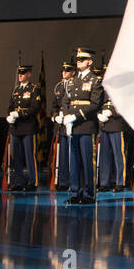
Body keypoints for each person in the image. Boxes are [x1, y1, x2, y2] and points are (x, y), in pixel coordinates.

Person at [63, 48, 102, 205]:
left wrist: (75, 116)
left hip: (86, 125)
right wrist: (66, 117)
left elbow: (94, 104)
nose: (78, 61)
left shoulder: (95, 81)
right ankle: (75, 192)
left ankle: (88, 193)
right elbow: (66, 101)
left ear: (90, 62)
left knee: (87, 161)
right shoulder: (72, 81)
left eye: (82, 59)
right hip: (73, 126)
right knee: (74, 161)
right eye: (78, 59)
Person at [6, 64, 44, 191]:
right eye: (19, 73)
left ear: (29, 74)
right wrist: (10, 115)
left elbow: (35, 108)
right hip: (16, 127)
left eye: (23, 73)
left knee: (29, 155)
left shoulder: (34, 89)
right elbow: (11, 106)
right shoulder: (16, 90)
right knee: (16, 156)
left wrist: (19, 114)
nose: (20, 75)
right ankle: (18, 181)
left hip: (28, 126)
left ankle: (33, 181)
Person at [95, 66, 130, 192]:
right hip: (105, 125)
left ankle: (120, 181)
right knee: (104, 155)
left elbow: (125, 105)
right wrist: (99, 114)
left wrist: (112, 112)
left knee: (118, 155)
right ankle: (104, 182)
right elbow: (96, 102)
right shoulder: (102, 89)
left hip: (116, 124)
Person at [51, 61, 75, 191]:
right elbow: (54, 105)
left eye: (67, 71)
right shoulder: (59, 87)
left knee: (73, 154)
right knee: (63, 154)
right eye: (63, 71)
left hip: (71, 122)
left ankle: (74, 181)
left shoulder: (75, 85)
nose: (64, 73)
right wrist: (55, 116)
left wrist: (68, 115)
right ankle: (63, 181)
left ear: (73, 72)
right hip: (61, 124)